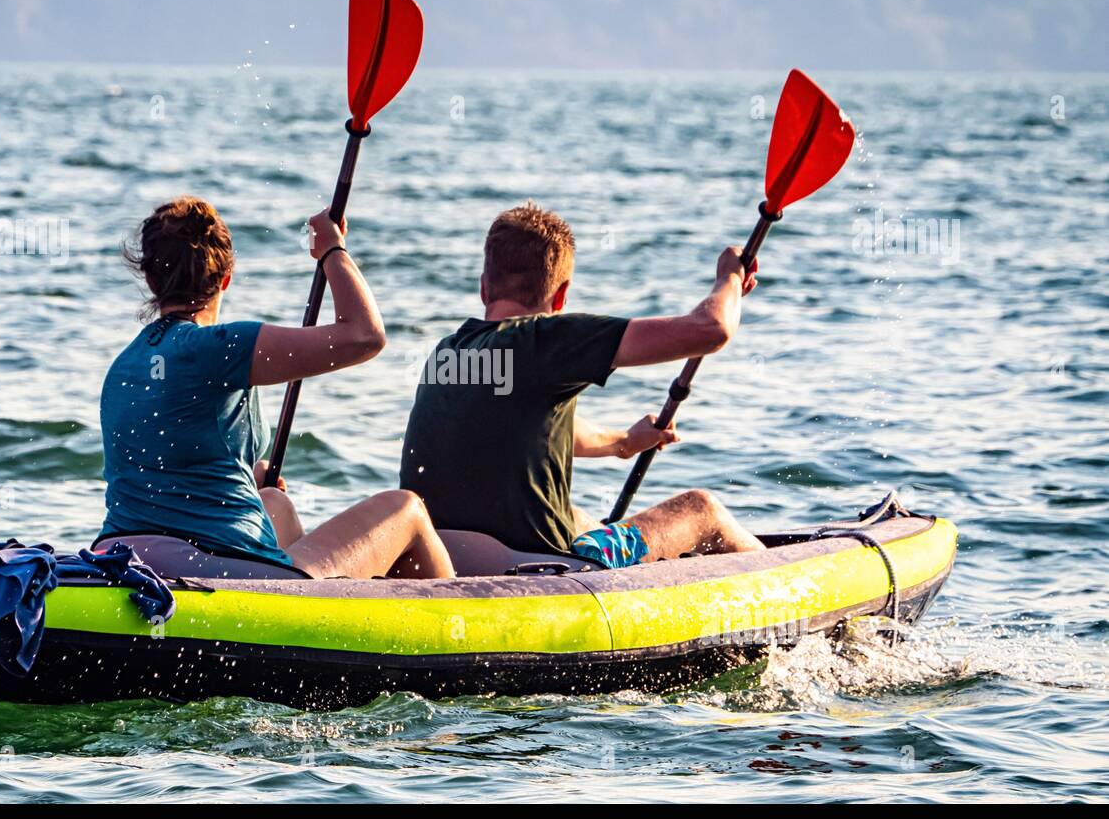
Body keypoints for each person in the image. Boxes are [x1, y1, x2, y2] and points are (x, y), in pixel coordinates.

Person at [100, 196, 454, 580]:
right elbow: (364, 335)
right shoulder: (217, 347)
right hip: (212, 564)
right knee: (407, 510)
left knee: (273, 501)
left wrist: (244, 478)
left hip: (126, 551)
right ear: (225, 279)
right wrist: (332, 251)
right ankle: (466, 628)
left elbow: (172, 464)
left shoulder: (126, 363)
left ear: (150, 278)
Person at [400, 202, 765, 568]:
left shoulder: (449, 353)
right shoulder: (544, 338)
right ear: (561, 296)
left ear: (484, 288)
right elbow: (710, 329)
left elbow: (534, 428)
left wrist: (623, 443)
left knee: (584, 521)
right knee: (701, 510)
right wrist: (729, 278)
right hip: (542, 573)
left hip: (443, 562)